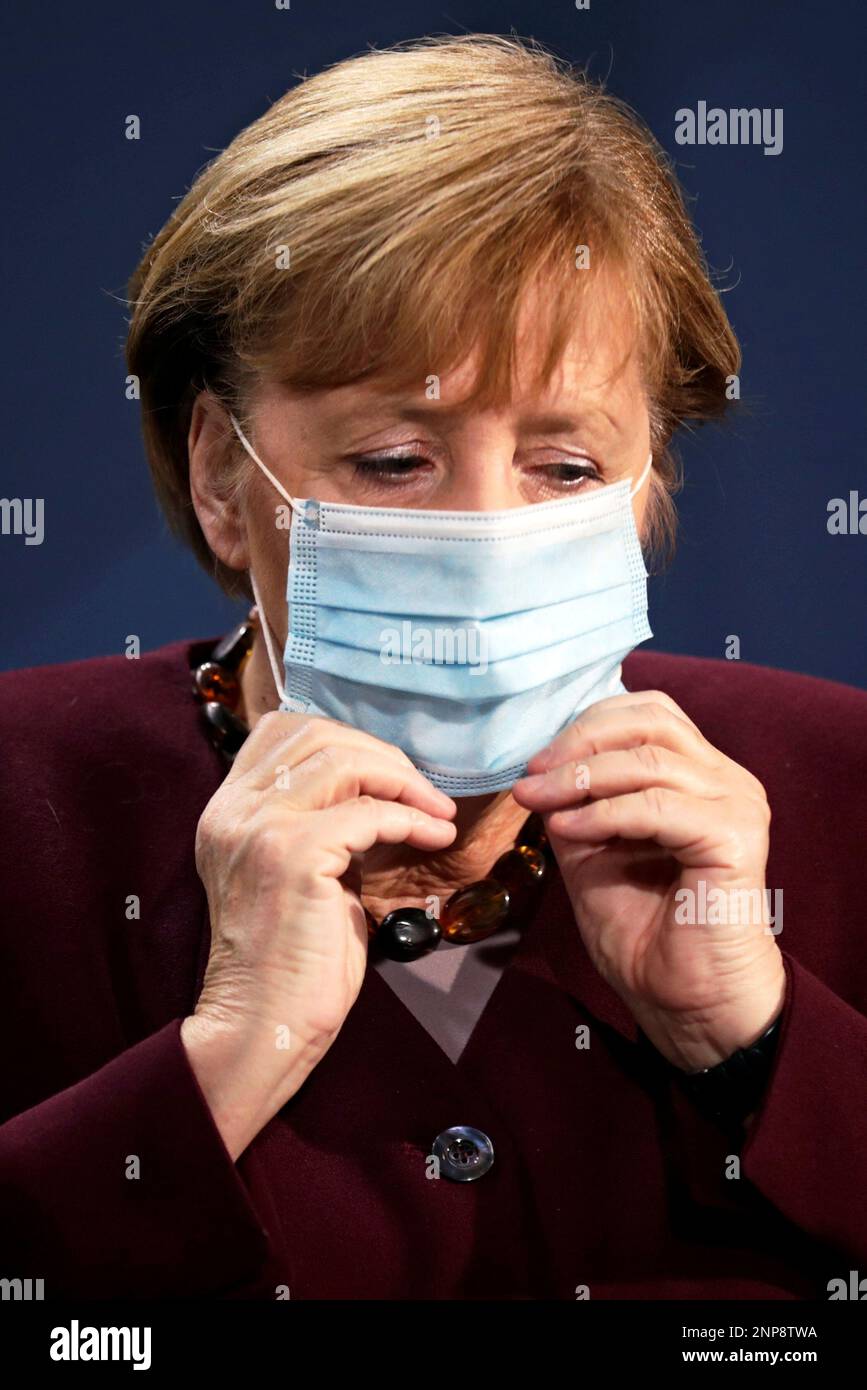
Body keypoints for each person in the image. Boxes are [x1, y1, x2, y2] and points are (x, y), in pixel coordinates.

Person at [1, 33, 865, 1301]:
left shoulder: (840, 783)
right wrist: (229, 1053)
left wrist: (760, 1043)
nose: (479, 531)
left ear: (647, 491)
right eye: (395, 460)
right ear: (221, 475)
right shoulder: (23, 799)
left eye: (565, 466)